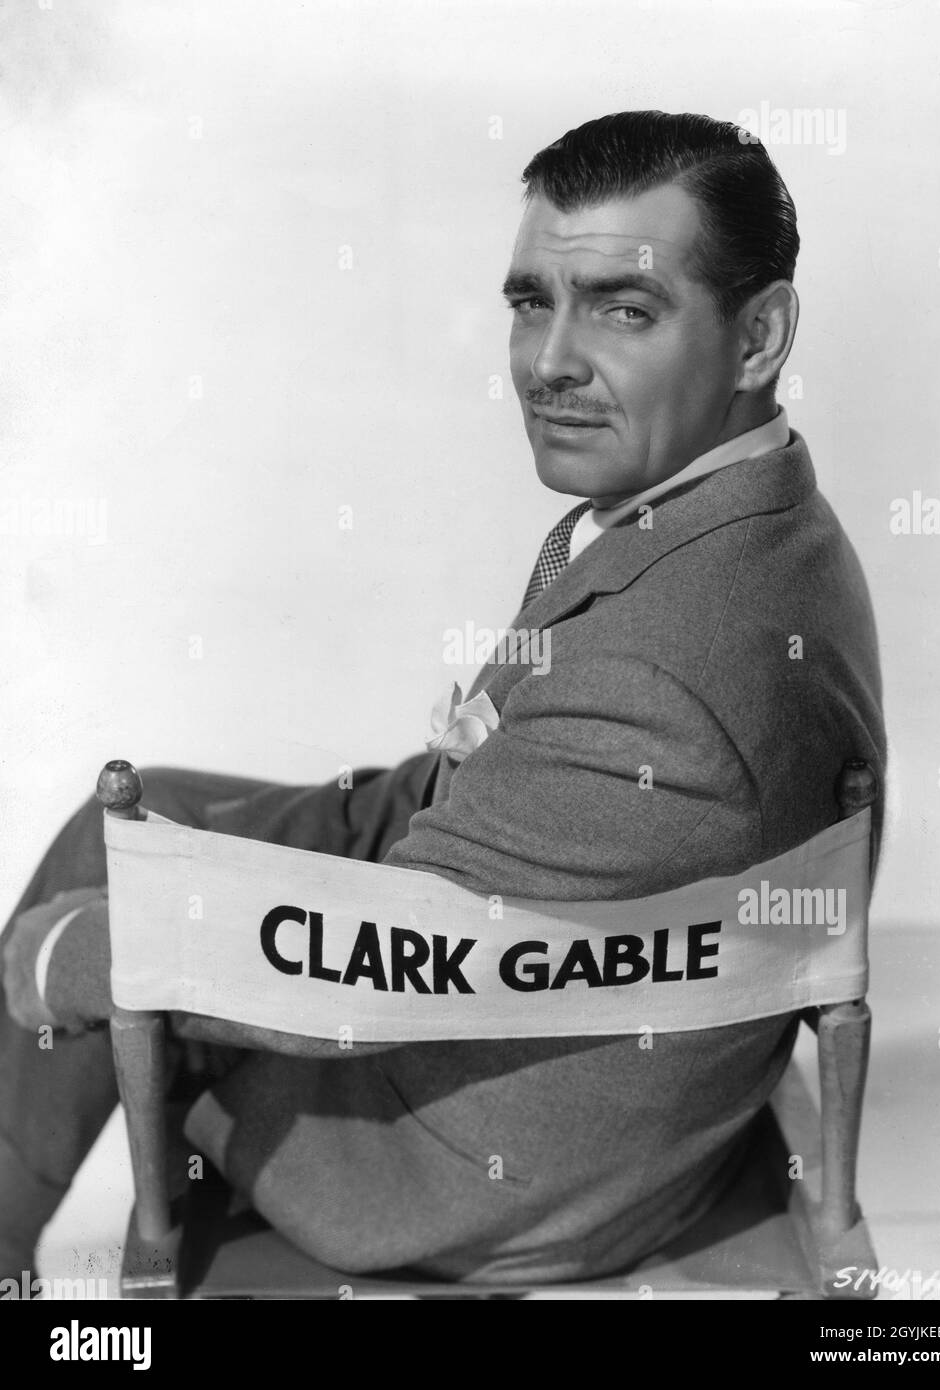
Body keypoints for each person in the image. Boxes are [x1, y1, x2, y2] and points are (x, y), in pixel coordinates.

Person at [1, 111, 886, 1285]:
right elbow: (523, 841)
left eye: (622, 309)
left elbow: (359, 963)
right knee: (142, 812)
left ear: (759, 331)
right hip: (563, 977)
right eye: (532, 302)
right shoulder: (768, 526)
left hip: (462, 1157)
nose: (546, 362)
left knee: (91, 887)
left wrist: (58, 955)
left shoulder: (664, 692)